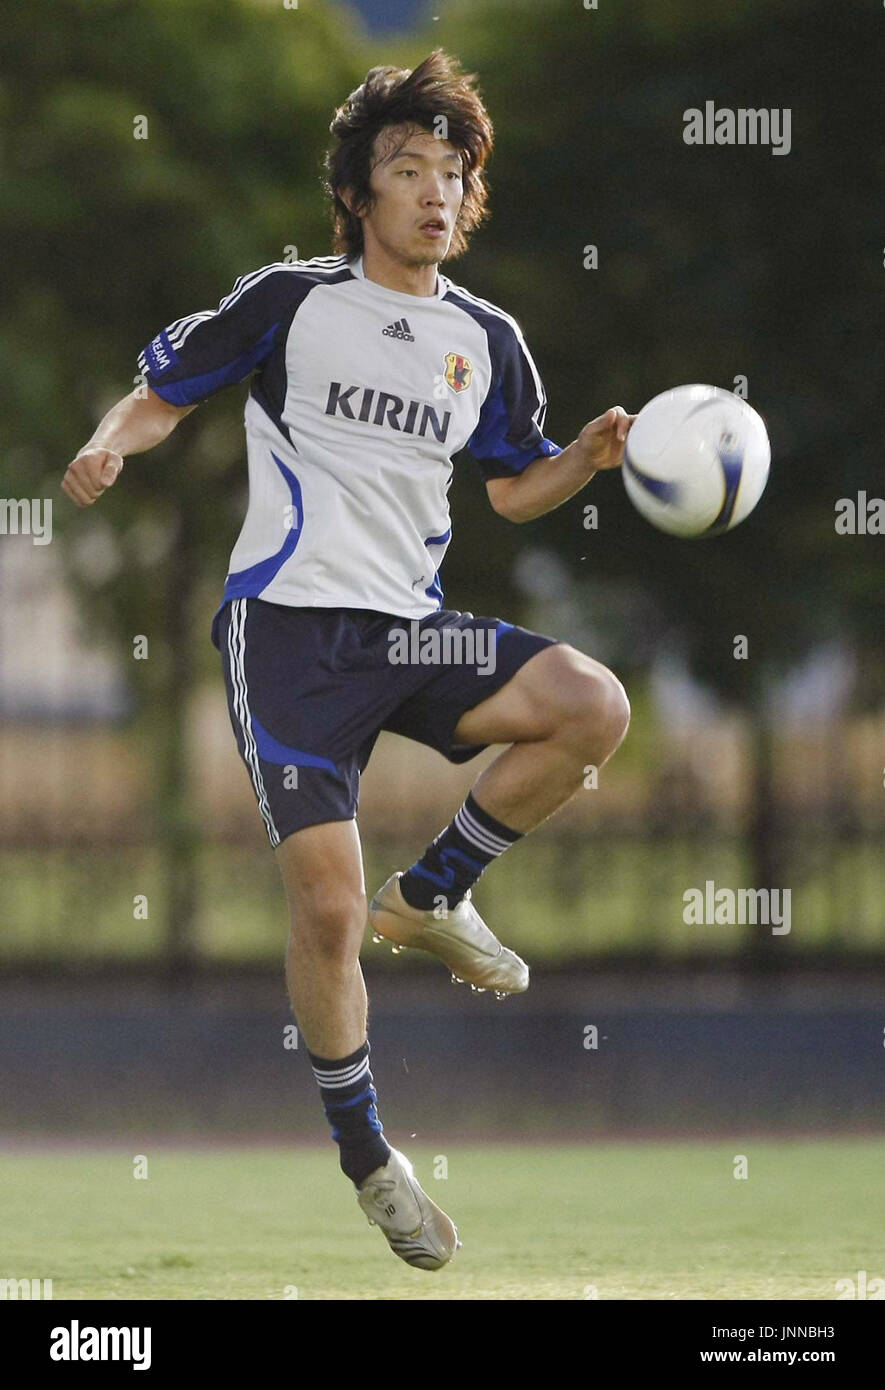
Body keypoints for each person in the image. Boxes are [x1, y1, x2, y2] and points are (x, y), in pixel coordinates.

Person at [61, 49, 633, 1273]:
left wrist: (581, 458)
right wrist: (113, 443)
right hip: (291, 634)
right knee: (323, 906)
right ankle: (370, 1156)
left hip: (412, 630)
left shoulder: (485, 338)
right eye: (407, 168)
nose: (434, 190)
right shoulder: (289, 299)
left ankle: (431, 896)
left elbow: (514, 490)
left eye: (452, 172)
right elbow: (167, 390)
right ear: (359, 194)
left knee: (590, 703)